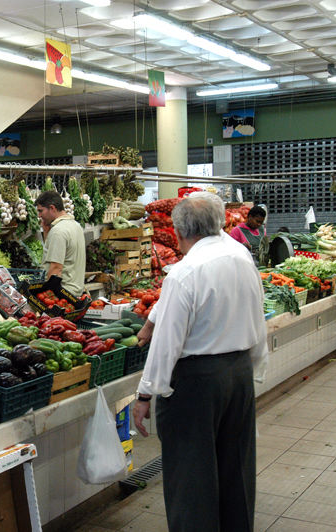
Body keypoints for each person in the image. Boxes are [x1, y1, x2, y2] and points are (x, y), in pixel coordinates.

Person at [132, 194, 268, 532]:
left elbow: (167, 344)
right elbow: (257, 311)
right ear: (219, 223)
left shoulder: (185, 273)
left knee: (191, 477)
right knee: (235, 467)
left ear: (178, 232)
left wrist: (146, 393)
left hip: (194, 382)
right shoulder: (240, 255)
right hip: (238, 373)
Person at [35, 190, 86, 296]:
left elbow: (56, 268)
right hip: (75, 291)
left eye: (41, 211)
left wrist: (47, 295)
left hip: (62, 293)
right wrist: (46, 233)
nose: (39, 215)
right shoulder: (76, 225)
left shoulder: (58, 231)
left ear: (52, 208)